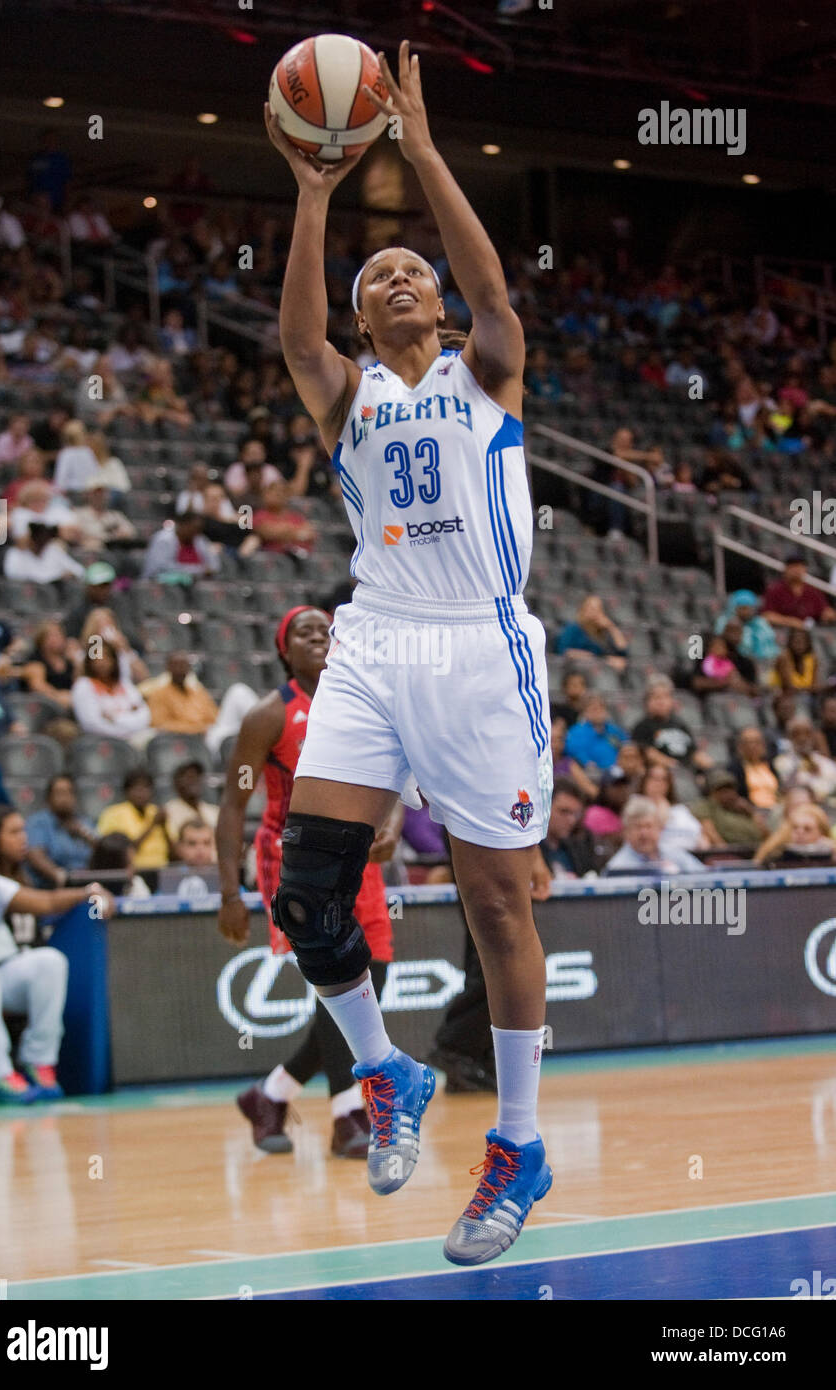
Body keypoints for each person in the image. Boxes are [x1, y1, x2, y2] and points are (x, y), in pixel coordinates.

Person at [247, 49, 556, 1263]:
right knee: (309, 891)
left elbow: (490, 283)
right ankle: (385, 1073)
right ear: (364, 314)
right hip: (375, 636)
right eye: (376, 277)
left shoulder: (490, 373)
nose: (395, 281)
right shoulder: (347, 395)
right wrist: (318, 189)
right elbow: (295, 335)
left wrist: (419, 147)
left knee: (492, 899)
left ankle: (520, 1146)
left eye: (409, 268)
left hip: (482, 641)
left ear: (439, 300)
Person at [217, 605, 405, 1158]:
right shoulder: (267, 716)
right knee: (338, 982)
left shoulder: (361, 703)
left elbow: (396, 773)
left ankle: (271, 1093)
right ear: (284, 649)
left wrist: (389, 825)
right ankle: (349, 1113)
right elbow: (233, 805)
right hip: (293, 860)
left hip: (358, 857)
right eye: (305, 632)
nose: (319, 637)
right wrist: (229, 891)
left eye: (327, 630)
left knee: (372, 981)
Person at [0, 816, 114, 1103]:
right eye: (14, 831)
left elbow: (48, 901)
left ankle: (39, 1060)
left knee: (49, 961)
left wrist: (90, 891)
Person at [71, 639, 151, 744]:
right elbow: (92, 724)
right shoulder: (83, 686)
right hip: (101, 742)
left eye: (106, 657)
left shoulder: (124, 685)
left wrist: (115, 719)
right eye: (96, 658)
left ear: (114, 659)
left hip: (134, 737)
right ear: (89, 661)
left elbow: (144, 716)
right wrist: (127, 718)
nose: (101, 662)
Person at [602, 796, 705, 876]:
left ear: (660, 828)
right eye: (637, 827)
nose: (644, 833)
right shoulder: (617, 869)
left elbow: (704, 876)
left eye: (649, 826)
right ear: (626, 832)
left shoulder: (675, 854)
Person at [25, 776, 97, 887]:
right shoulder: (38, 822)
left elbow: (103, 851)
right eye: (59, 793)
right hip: (52, 888)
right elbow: (35, 856)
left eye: (69, 793)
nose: (65, 798)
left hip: (87, 884)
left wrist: (84, 834)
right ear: (49, 798)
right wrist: (60, 876)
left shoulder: (85, 822)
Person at [97, 771, 170, 878]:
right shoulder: (113, 814)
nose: (141, 793)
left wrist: (164, 827)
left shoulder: (157, 812)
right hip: (131, 875)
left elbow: (174, 853)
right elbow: (117, 854)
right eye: (136, 788)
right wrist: (152, 825)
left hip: (163, 873)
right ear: (126, 791)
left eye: (146, 788)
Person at [631, 674, 710, 770]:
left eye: (665, 697)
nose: (661, 702)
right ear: (647, 701)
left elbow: (694, 752)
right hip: (662, 774)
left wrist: (710, 766)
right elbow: (648, 753)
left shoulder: (680, 724)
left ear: (672, 701)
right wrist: (674, 766)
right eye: (656, 697)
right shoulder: (642, 726)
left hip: (686, 773)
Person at [140, 652, 218, 735]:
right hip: (175, 740)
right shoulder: (158, 694)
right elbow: (159, 724)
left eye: (183, 666)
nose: (180, 670)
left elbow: (214, 718)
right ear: (168, 668)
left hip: (203, 739)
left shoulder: (199, 692)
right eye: (176, 665)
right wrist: (195, 729)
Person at [639, 764, 706, 855]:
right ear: (644, 782)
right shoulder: (636, 805)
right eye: (654, 778)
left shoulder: (680, 810)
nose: (659, 783)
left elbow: (701, 838)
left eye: (664, 780)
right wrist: (660, 806)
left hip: (691, 858)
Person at [690, 770, 767, 849]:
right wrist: (726, 851)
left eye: (730, 788)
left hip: (757, 848)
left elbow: (767, 835)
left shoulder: (742, 807)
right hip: (732, 854)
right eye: (721, 789)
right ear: (712, 792)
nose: (727, 793)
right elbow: (710, 831)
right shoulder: (707, 806)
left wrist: (752, 813)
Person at [540, 776, 598, 878]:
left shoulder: (581, 848)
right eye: (564, 811)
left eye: (576, 814)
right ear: (544, 808)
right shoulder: (530, 852)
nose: (571, 820)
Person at [554, 595, 628, 670]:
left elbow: (622, 650)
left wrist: (611, 627)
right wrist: (601, 660)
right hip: (579, 670)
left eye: (598, 609)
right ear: (583, 610)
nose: (595, 612)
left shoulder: (604, 631)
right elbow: (564, 651)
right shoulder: (573, 628)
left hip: (601, 673)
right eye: (591, 608)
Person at [141, 512, 220, 581]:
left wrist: (205, 570)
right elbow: (161, 568)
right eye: (192, 529)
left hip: (194, 585)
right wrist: (198, 570)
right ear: (182, 525)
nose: (195, 533)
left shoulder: (199, 539)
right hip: (159, 584)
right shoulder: (163, 539)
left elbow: (214, 566)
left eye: (198, 530)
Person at [762, 555, 836, 629]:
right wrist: (790, 622)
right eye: (793, 566)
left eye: (800, 566)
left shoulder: (812, 590)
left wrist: (829, 615)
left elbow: (825, 611)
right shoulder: (775, 589)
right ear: (786, 569)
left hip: (809, 634)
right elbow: (767, 615)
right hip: (781, 631)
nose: (796, 570)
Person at [753, 802, 836, 868]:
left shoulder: (830, 852)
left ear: (821, 832)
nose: (800, 832)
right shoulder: (777, 851)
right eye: (795, 827)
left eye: (807, 829)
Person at [774, 716, 836, 804]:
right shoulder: (782, 762)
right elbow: (787, 788)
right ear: (789, 737)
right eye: (796, 734)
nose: (802, 738)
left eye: (807, 733)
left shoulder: (824, 761)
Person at [565, 693, 628, 773]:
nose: (599, 712)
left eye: (602, 708)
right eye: (594, 709)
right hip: (591, 774)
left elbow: (626, 745)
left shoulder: (614, 730)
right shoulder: (575, 732)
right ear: (585, 712)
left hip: (618, 771)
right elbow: (576, 754)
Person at [715, 590, 779, 663]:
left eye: (749, 608)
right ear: (734, 607)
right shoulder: (724, 622)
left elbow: (769, 643)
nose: (746, 611)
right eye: (742, 608)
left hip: (761, 662)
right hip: (732, 661)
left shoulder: (760, 623)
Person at [162, 759, 218, 842]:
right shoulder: (167, 811)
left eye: (197, 776)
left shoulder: (214, 811)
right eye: (189, 777)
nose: (195, 781)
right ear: (177, 783)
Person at [729, 726, 781, 812]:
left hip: (777, 807)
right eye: (748, 742)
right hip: (753, 811)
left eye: (757, 742)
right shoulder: (735, 769)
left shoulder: (771, 764)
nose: (752, 746)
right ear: (740, 746)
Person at [772, 627, 823, 694]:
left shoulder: (812, 658)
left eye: (803, 642)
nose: (799, 645)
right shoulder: (783, 658)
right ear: (790, 642)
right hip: (783, 695)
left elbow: (815, 685)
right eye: (796, 641)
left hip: (806, 696)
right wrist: (809, 689)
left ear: (808, 643)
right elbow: (788, 686)